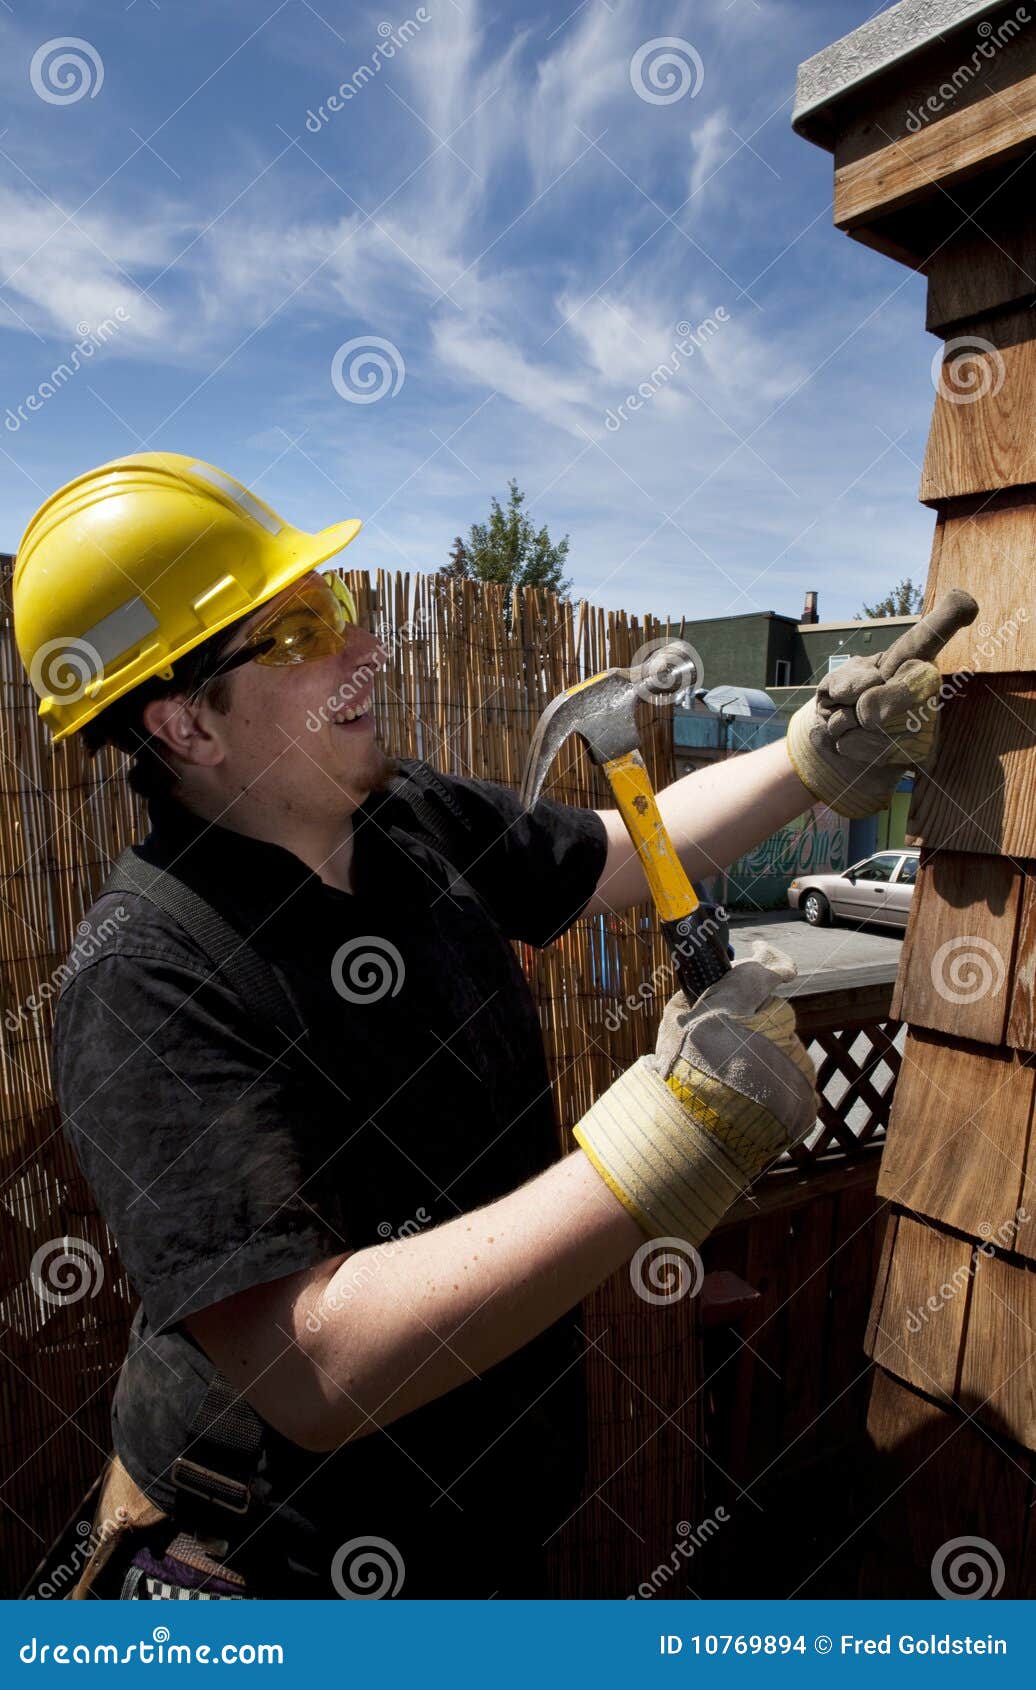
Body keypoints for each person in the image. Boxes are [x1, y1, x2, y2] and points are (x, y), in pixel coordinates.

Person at [13, 453, 950, 1599]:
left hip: (489, 1529)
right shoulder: (142, 981)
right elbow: (314, 1370)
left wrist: (811, 759)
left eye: (341, 605)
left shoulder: (406, 816)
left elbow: (614, 852)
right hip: (281, 1582)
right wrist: (662, 1145)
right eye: (300, 631)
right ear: (184, 726)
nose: (364, 649)